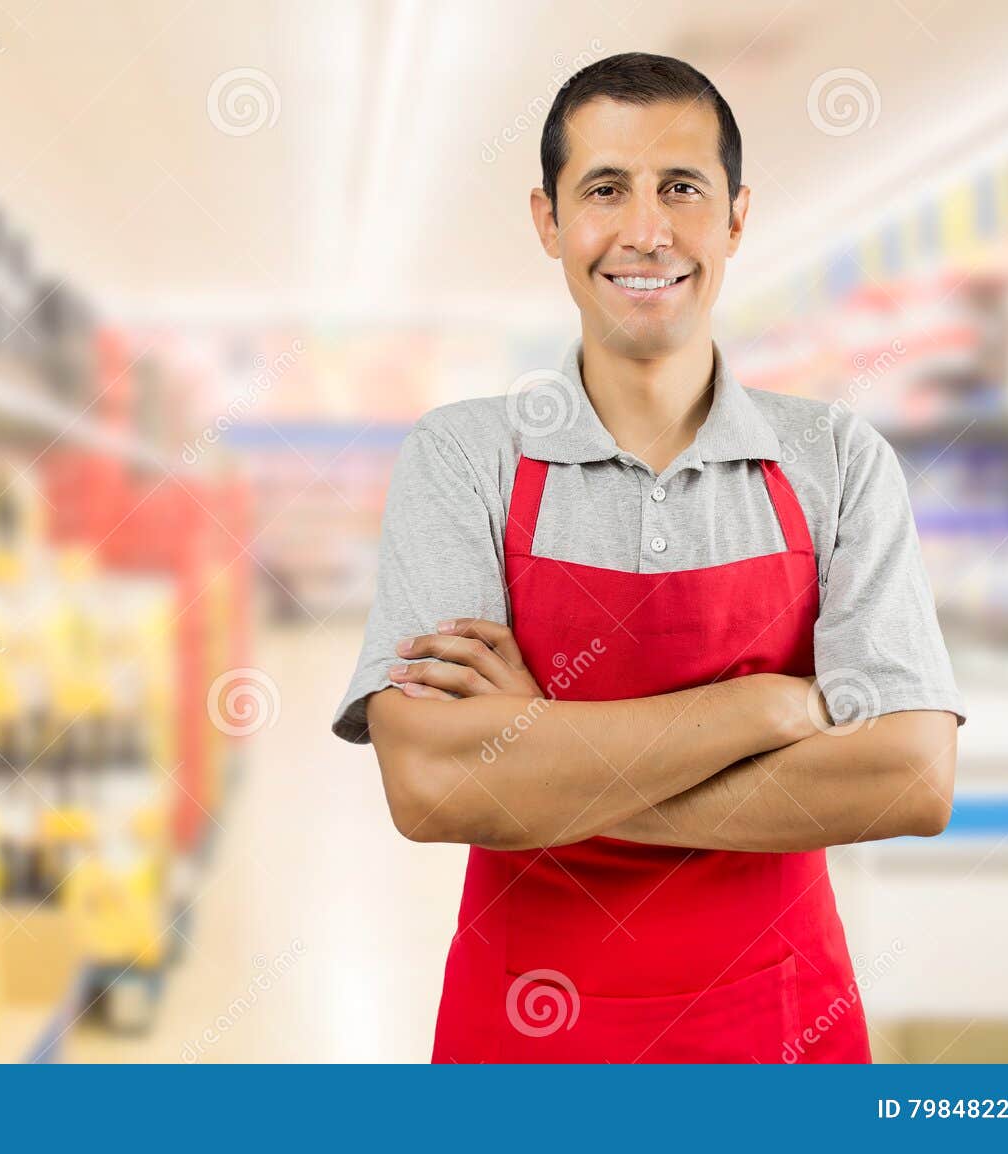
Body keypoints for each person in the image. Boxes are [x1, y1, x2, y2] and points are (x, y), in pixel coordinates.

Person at [331, 52, 965, 1064]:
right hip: (527, 1033)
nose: (644, 230)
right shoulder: (465, 458)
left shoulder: (836, 459)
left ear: (735, 217)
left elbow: (909, 778)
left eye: (681, 188)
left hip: (778, 1023)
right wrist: (762, 711)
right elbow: (435, 788)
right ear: (548, 220)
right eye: (604, 189)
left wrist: (540, 754)